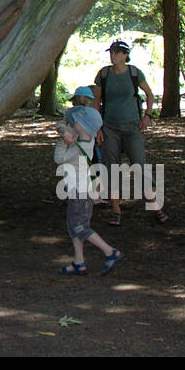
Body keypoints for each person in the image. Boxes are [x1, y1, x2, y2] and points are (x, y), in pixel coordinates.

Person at [94, 39, 165, 224]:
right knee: (111, 168)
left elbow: (149, 94)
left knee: (140, 165)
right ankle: (116, 210)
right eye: (111, 52)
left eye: (117, 52)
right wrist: (98, 128)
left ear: (125, 55)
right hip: (109, 127)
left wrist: (148, 115)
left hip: (132, 126)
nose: (113, 55)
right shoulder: (103, 74)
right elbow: (96, 102)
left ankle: (155, 207)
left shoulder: (134, 73)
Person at [53, 93, 122, 275]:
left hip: (80, 193)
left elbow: (59, 159)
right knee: (72, 225)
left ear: (82, 126)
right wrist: (64, 132)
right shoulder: (86, 138)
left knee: (80, 227)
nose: (72, 124)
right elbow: (61, 125)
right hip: (81, 191)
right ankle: (79, 261)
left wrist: (62, 142)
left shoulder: (78, 147)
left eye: (75, 122)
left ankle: (110, 251)